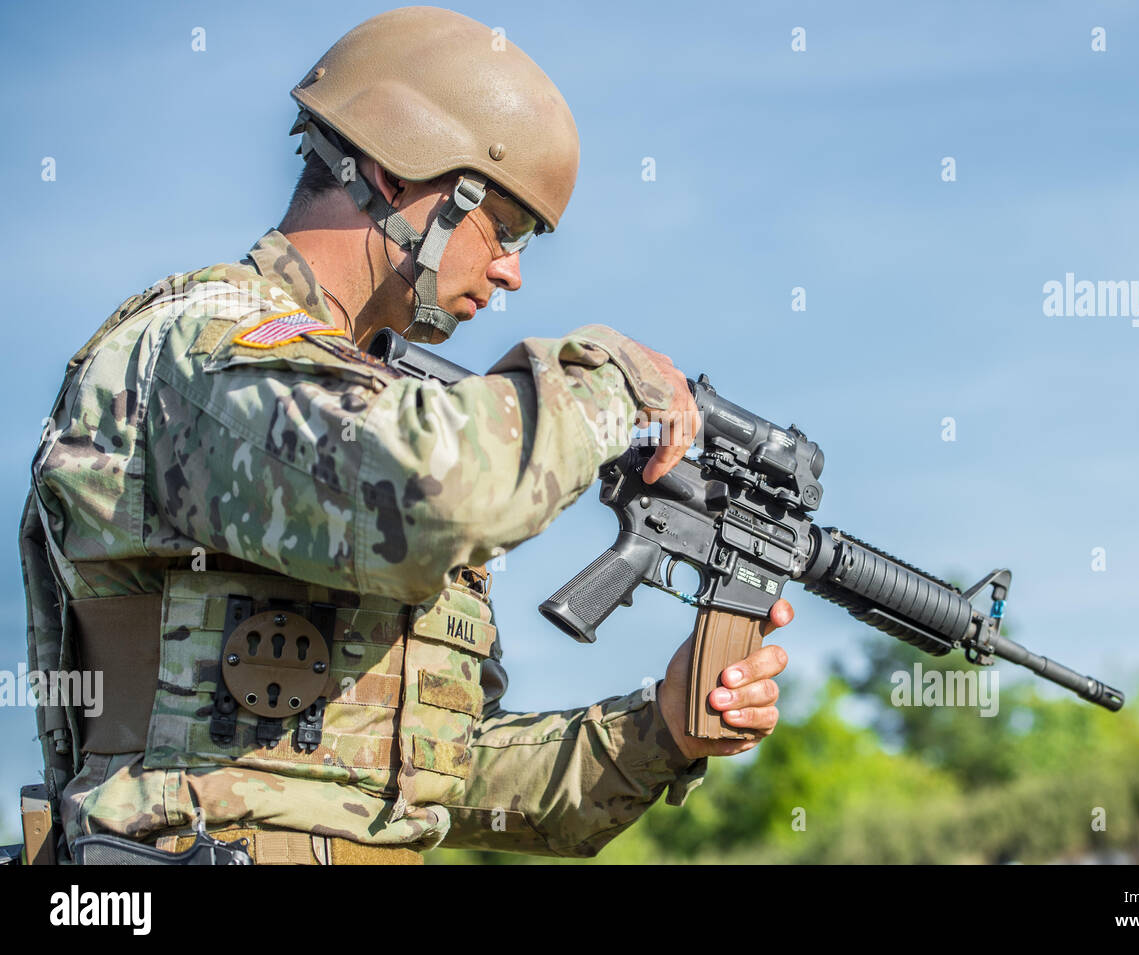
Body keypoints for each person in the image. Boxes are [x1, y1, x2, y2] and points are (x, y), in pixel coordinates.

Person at [19, 6, 792, 864]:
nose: (511, 271)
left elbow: (446, 784)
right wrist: (610, 375)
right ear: (396, 176)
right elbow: (444, 488)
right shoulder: (205, 348)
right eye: (505, 227)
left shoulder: (381, 403)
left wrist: (664, 727)